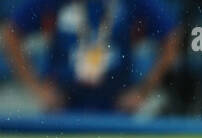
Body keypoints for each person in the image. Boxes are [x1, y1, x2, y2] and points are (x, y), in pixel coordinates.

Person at [3, 0, 181, 114]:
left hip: (116, 109)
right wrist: (37, 88)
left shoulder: (133, 3)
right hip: (62, 109)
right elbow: (11, 33)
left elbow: (172, 37)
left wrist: (143, 91)